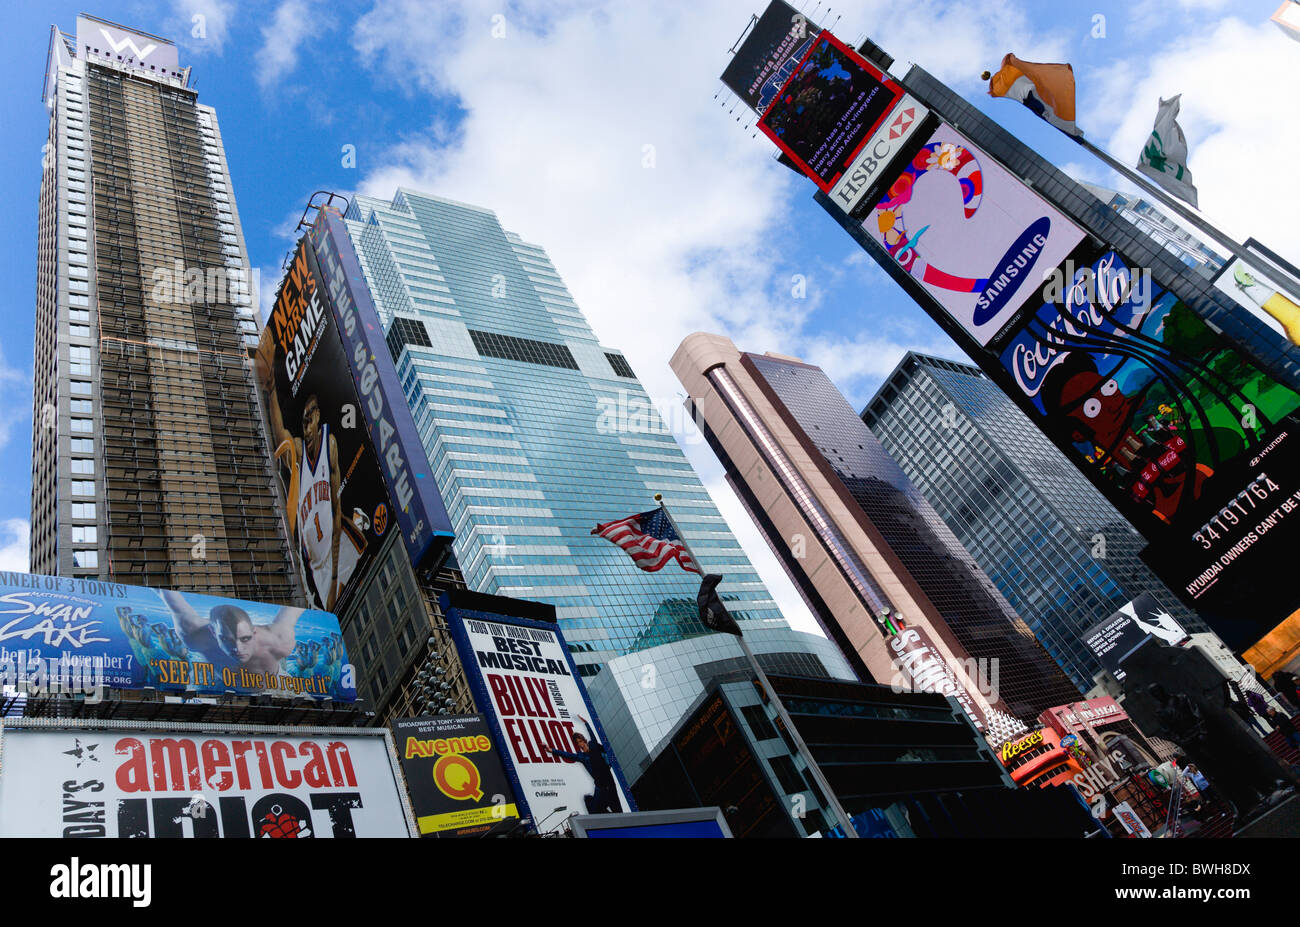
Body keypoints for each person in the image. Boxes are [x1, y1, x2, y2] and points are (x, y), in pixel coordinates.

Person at [254, 340, 365, 613]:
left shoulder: (329, 445)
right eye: (302, 420)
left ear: (317, 418)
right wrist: (270, 392)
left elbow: (337, 508)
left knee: (360, 584)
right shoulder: (300, 455)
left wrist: (336, 575)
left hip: (336, 553)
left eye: (308, 418)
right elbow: (280, 433)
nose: (304, 424)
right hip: (315, 568)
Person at [161, 589, 301, 677]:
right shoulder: (193, 632)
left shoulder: (278, 638)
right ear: (213, 632)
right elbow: (167, 595)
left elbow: (297, 606)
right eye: (227, 639)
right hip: (214, 680)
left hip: (273, 684)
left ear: (254, 631)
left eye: (245, 639)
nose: (237, 649)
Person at [542, 715, 622, 815]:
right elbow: (567, 755)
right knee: (591, 806)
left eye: (580, 741)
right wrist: (551, 750)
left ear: (584, 740)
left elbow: (593, 737)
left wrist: (586, 723)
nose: (580, 744)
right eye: (577, 743)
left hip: (609, 783)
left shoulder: (594, 747)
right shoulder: (582, 757)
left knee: (617, 810)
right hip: (600, 786)